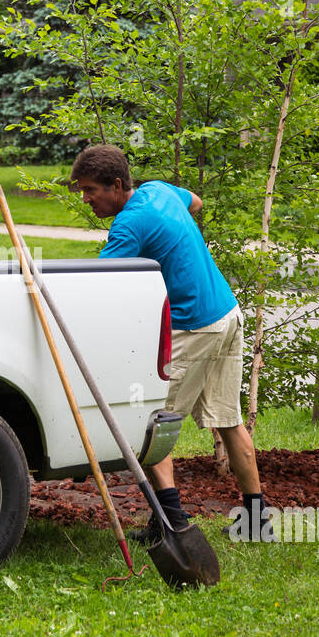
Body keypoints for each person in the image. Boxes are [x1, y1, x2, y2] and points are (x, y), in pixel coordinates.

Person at [70, 144, 271, 543]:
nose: (86, 199)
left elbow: (98, 284)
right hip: (227, 314)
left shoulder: (128, 226)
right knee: (228, 420)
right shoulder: (159, 191)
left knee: (154, 425)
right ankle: (255, 521)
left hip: (194, 326)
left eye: (91, 190)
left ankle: (170, 522)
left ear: (115, 185)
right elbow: (195, 202)